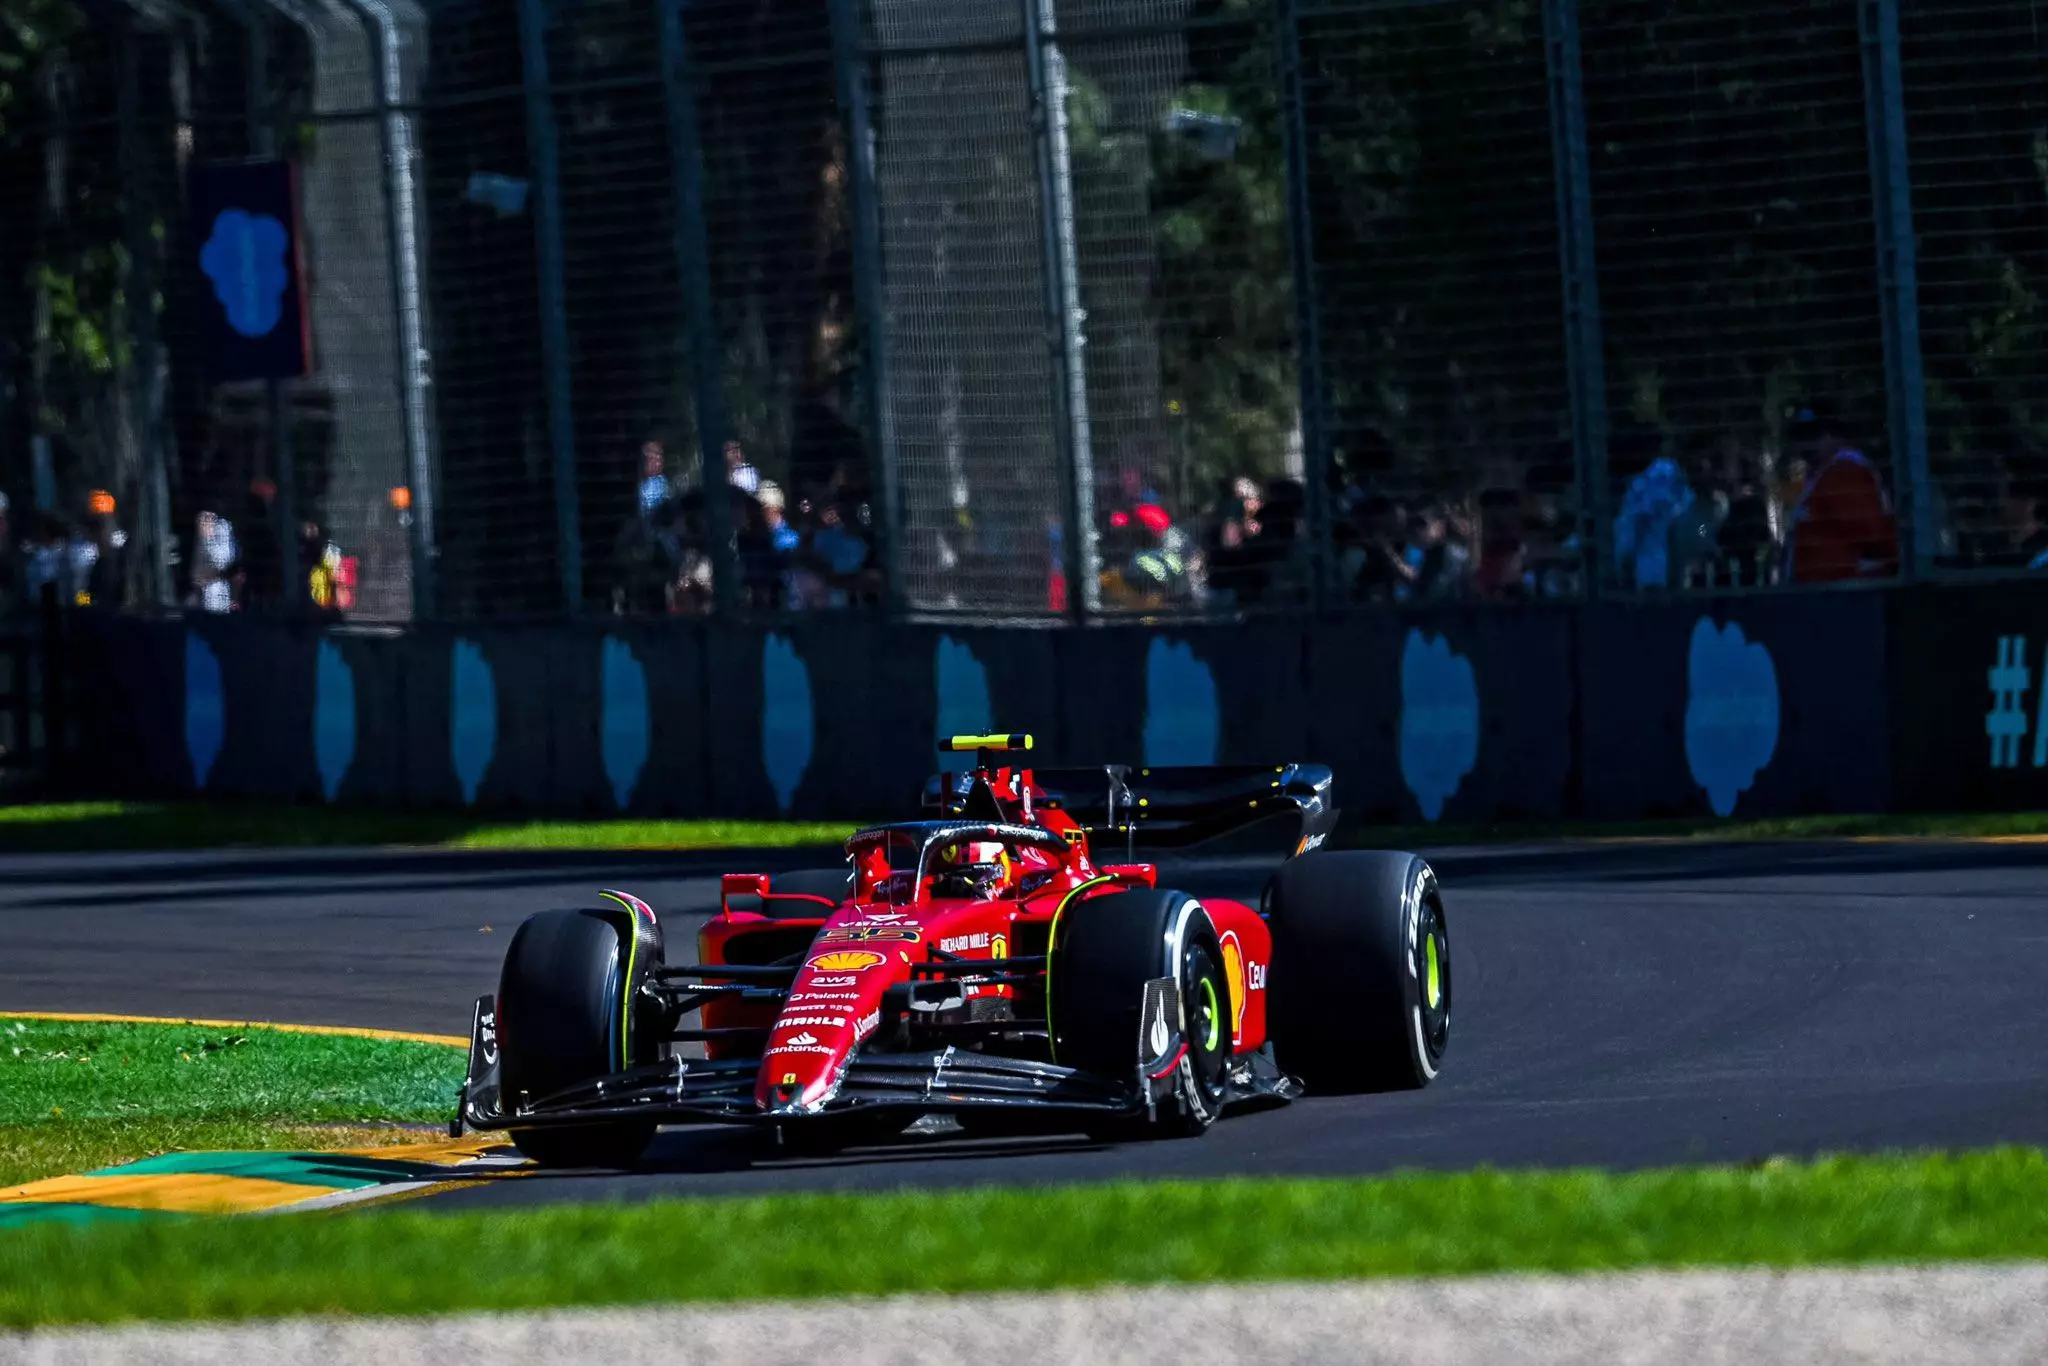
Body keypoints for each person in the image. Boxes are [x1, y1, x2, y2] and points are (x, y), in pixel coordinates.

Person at [1779, 404, 1898, 583]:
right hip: (1832, 592)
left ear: (1834, 435)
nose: (1805, 445)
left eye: (1814, 435)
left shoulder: (1845, 472)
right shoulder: (1822, 474)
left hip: (1847, 592)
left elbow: (1870, 534)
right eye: (1800, 437)